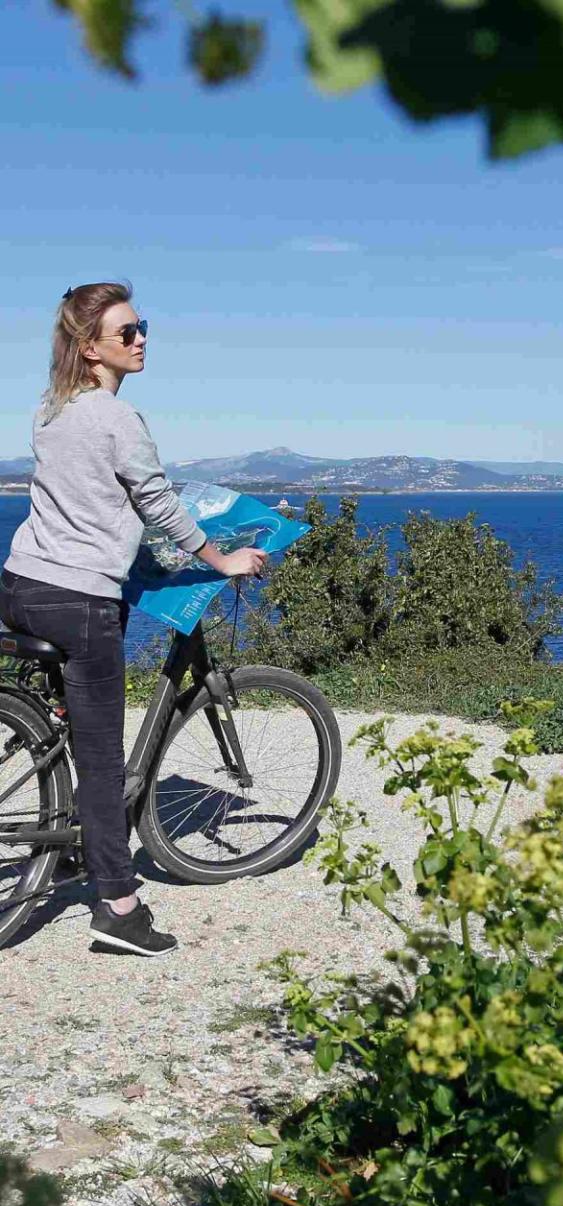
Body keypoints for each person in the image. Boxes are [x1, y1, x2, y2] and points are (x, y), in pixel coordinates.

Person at [0, 281, 266, 956]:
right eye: (126, 333)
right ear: (91, 349)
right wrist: (221, 556)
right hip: (80, 601)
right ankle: (117, 907)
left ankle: (60, 839)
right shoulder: (120, 420)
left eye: (142, 327)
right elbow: (158, 504)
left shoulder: (50, 409)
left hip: (22, 583)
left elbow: (83, 498)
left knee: (63, 723)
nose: (141, 339)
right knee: (100, 755)